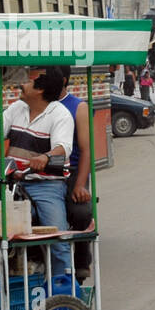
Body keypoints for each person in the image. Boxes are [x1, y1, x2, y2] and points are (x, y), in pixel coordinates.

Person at [0, 67, 76, 277]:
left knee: (58, 239)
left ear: (40, 90)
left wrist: (45, 157)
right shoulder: (17, 107)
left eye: (29, 82)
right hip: (11, 184)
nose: (22, 85)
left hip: (46, 186)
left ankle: (63, 288)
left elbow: (63, 147)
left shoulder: (61, 115)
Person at [56, 68, 94, 278]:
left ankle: (81, 258)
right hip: (43, 173)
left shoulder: (78, 107)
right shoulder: (36, 105)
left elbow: (87, 149)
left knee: (80, 211)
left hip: (72, 171)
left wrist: (80, 184)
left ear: (61, 80)